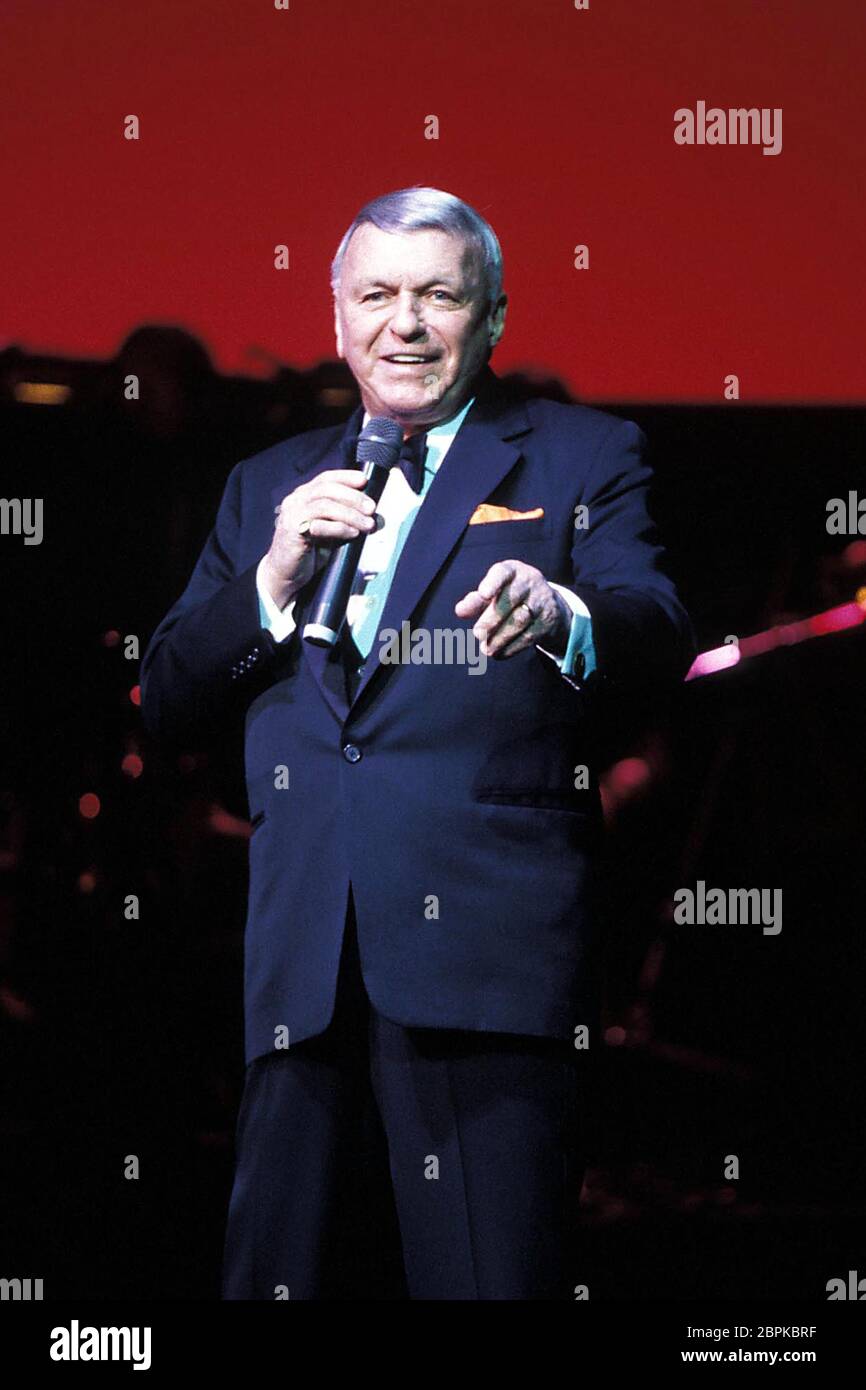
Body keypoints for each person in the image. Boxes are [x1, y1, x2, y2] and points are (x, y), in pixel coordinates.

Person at [141, 186, 694, 1300]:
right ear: (338, 317)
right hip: (303, 958)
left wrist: (561, 614)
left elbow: (658, 628)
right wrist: (271, 585)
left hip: (482, 959)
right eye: (377, 296)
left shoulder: (578, 454)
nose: (405, 323)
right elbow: (167, 696)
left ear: (490, 317)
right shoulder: (268, 487)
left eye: (438, 296)